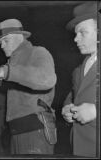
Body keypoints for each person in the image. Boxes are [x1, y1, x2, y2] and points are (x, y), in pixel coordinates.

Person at [0, 19, 57, 154]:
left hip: (35, 132)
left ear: (20, 37)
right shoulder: (13, 63)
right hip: (15, 133)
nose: (2, 45)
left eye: (6, 40)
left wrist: (6, 71)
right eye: (0, 42)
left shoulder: (38, 52)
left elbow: (47, 78)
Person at [62, 2, 100, 157]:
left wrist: (96, 111)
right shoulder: (78, 69)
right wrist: (66, 109)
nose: (76, 39)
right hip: (78, 148)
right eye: (76, 34)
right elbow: (73, 96)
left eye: (83, 32)